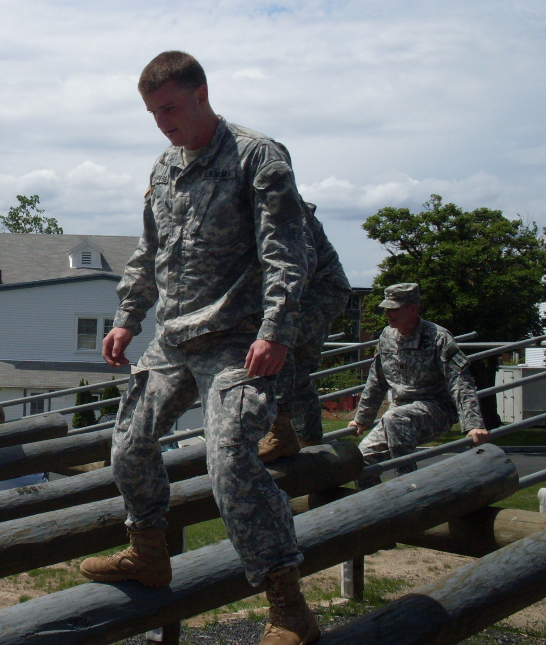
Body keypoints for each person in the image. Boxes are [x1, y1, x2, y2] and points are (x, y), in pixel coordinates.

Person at [78, 51, 318, 645]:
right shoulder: (164, 168)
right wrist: (127, 318)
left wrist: (276, 331)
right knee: (128, 445)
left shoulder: (258, 156)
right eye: (152, 112)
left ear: (202, 94)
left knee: (231, 457)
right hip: (176, 335)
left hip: (237, 339)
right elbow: (149, 252)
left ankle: (288, 606)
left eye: (170, 108)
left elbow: (288, 251)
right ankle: (148, 553)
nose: (162, 122)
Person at [349, 282, 489, 487]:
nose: (388, 314)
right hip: (398, 414)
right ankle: (381, 510)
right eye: (386, 309)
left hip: (436, 410)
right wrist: (362, 419)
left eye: (394, 309)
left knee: (394, 418)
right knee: (362, 460)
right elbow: (376, 380)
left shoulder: (438, 337)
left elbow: (460, 381)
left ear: (412, 309)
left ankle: (410, 488)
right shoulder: (386, 337)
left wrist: (474, 425)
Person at [258, 202, 352, 462]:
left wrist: (276, 312)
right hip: (305, 292)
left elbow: (301, 262)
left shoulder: (282, 203)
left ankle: (279, 430)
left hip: (318, 291)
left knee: (278, 340)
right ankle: (309, 441)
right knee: (298, 374)